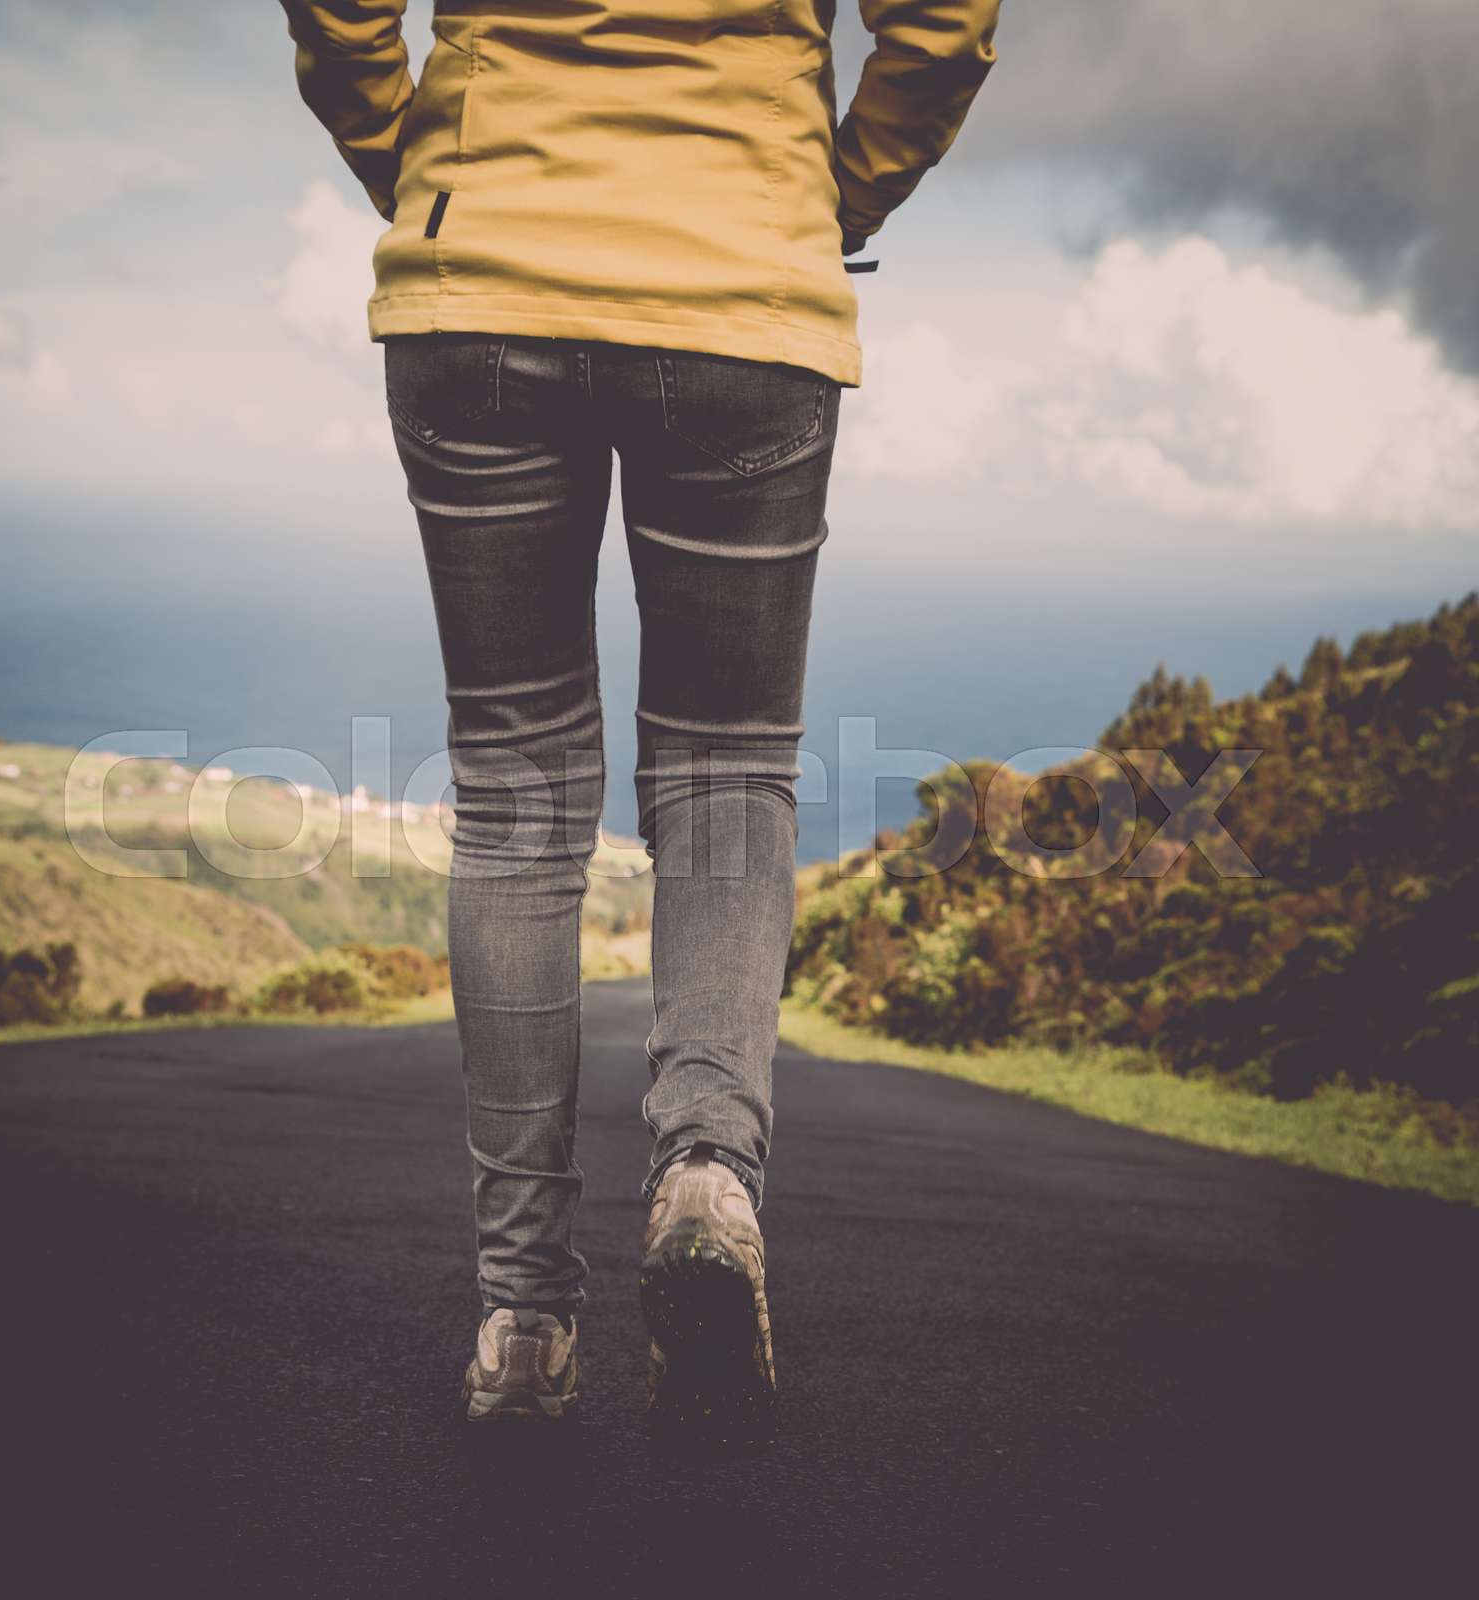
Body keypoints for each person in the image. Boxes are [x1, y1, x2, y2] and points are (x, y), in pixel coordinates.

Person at [280, 0, 1000, 1430]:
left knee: (518, 799)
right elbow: (947, 21)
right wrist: (824, 193)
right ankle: (707, 1176)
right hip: (745, 286)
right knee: (730, 778)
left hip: (478, 276)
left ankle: (525, 1320)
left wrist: (428, 165)